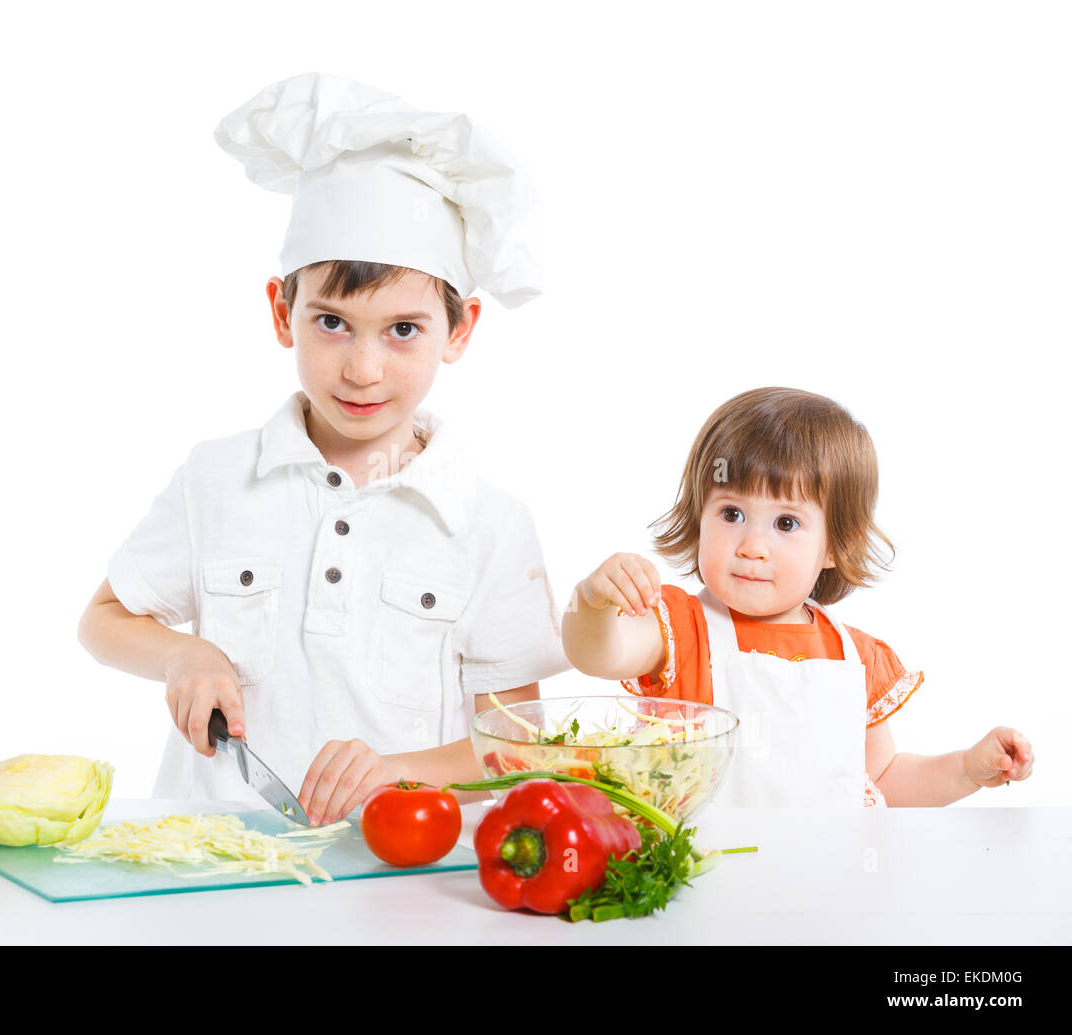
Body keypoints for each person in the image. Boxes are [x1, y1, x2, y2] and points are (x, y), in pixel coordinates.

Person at [77, 73, 568, 825]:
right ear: (283, 311)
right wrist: (184, 655)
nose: (363, 369)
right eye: (332, 323)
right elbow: (103, 619)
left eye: (403, 329)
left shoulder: (489, 524)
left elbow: (519, 746)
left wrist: (397, 773)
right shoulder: (215, 478)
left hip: (392, 877)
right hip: (205, 862)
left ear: (460, 329)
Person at [560, 387, 1034, 807]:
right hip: (702, 881)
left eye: (786, 523)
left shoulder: (856, 659)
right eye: (731, 513)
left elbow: (882, 779)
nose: (751, 545)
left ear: (835, 546)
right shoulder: (679, 628)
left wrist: (967, 769)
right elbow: (597, 653)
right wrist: (594, 601)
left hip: (823, 888)